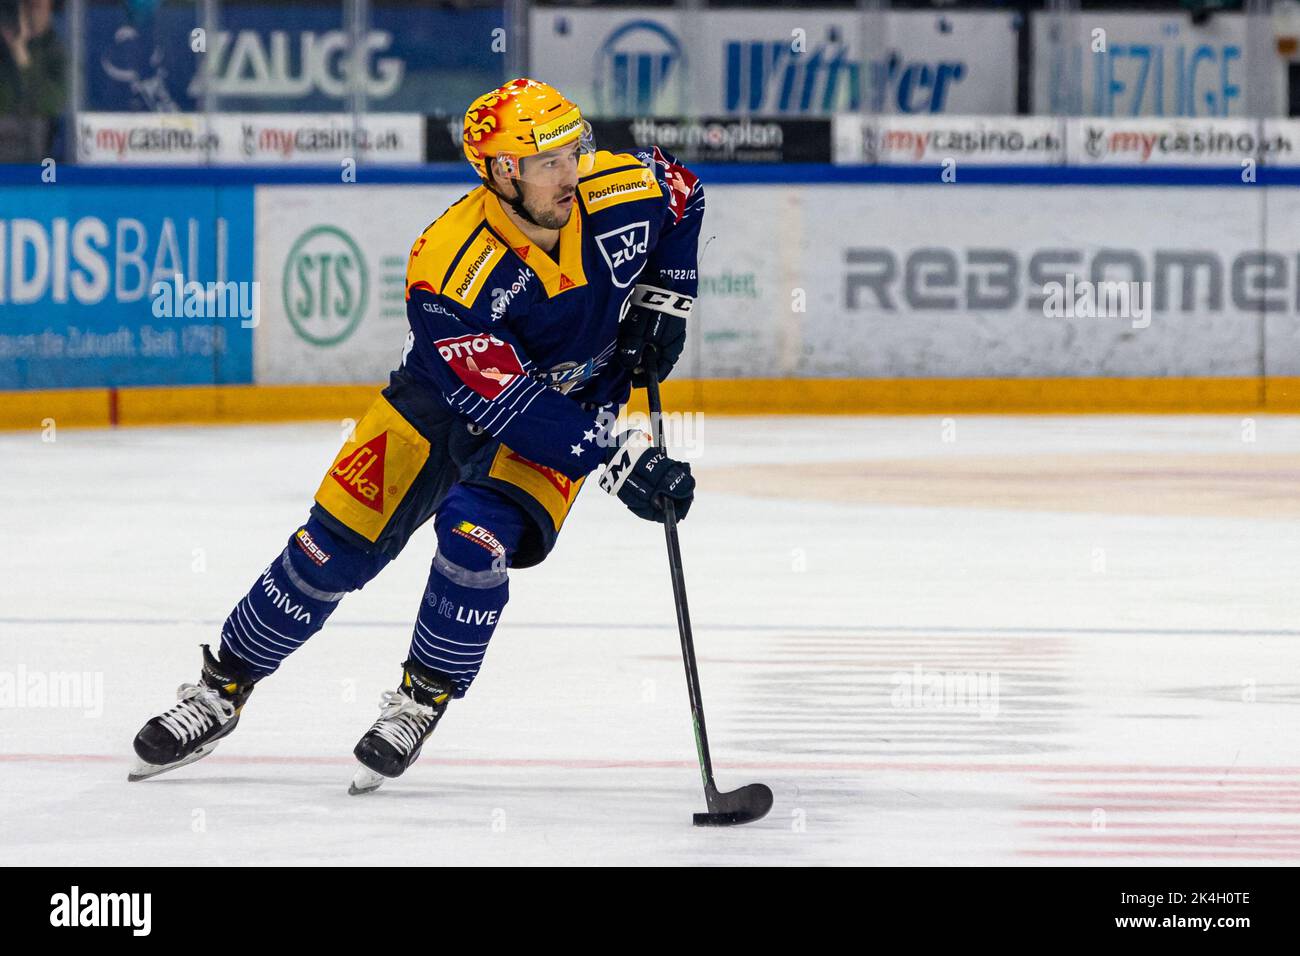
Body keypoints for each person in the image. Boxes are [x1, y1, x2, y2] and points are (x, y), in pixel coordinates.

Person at [128, 78, 704, 794]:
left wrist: (666, 302)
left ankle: (420, 697)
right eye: (547, 161)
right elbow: (511, 405)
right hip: (444, 405)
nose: (569, 172)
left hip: (568, 401)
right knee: (326, 553)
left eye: (570, 150)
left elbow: (682, 188)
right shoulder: (448, 267)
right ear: (501, 172)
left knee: (474, 540)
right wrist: (620, 459)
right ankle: (220, 690)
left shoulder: (615, 190)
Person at [0, 0, 65, 161]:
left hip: (36, 151)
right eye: (25, 8)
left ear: (49, 10)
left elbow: (47, 105)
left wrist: (22, 57)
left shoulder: (57, 53)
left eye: (36, 7)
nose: (29, 15)